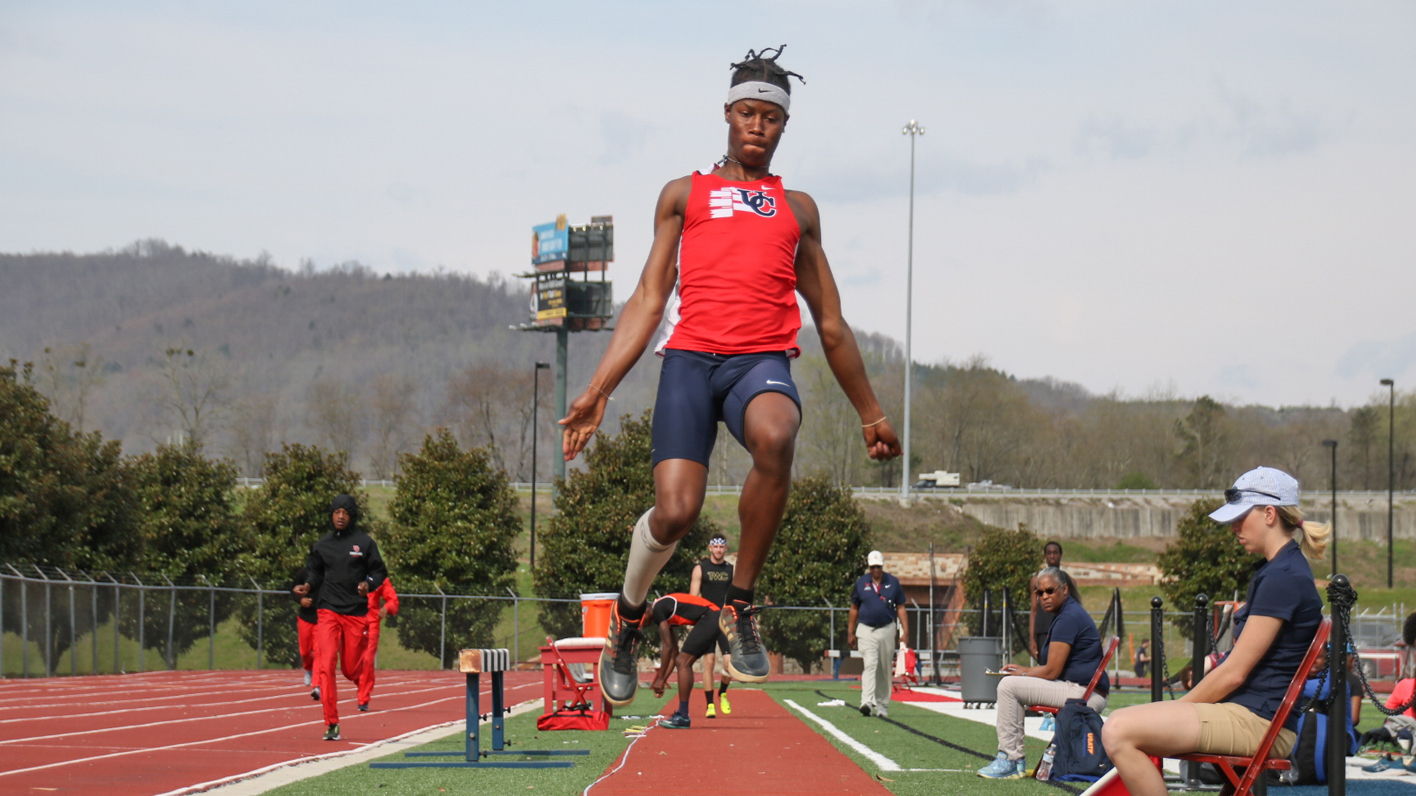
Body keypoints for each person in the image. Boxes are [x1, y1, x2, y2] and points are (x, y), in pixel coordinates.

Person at [558, 45, 901, 707]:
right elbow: (648, 300)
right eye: (747, 112)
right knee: (677, 511)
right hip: (690, 360)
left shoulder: (797, 210)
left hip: (759, 362)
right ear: (726, 114)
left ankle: (739, 604)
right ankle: (628, 621)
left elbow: (830, 322)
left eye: (770, 118)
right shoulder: (684, 195)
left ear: (783, 127)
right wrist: (599, 390)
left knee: (777, 433)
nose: (757, 126)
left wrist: (870, 410)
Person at [1101, 467, 1330, 796]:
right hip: (1255, 714)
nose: (1234, 526)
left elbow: (1235, 673)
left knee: (1118, 730)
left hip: (1258, 721)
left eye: (1240, 516)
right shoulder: (1280, 569)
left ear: (1269, 514)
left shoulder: (1282, 576)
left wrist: (1180, 707)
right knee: (1125, 723)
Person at [978, 567, 1108, 779]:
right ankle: (1013, 759)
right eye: (1039, 593)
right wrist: (1024, 671)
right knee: (1012, 683)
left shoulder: (1068, 617)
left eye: (1050, 590)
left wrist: (1021, 675)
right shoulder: (1068, 613)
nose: (1044, 596)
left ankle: (1010, 759)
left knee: (1008, 686)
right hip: (1083, 689)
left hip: (1083, 693)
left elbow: (1051, 671)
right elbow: (1052, 670)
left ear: (1064, 589)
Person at [293, 494, 388, 741]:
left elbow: (378, 571)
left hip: (355, 613)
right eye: (336, 512)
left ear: (352, 515)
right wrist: (306, 585)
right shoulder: (321, 545)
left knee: (348, 667)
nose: (341, 516)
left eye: (345, 512)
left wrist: (368, 584)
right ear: (331, 514)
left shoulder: (364, 543)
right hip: (327, 611)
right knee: (324, 666)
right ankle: (332, 722)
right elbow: (314, 573)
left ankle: (361, 681)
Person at [647, 593, 726, 730]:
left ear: (646, 610)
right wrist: (663, 680)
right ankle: (682, 714)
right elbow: (673, 653)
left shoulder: (658, 609)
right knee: (682, 661)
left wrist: (660, 678)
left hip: (711, 616)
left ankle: (683, 716)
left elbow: (667, 646)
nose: (641, 624)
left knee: (683, 662)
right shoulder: (665, 611)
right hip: (713, 616)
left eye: (639, 619)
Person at [848, 550, 908, 719]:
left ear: (882, 566)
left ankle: (882, 705)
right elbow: (854, 609)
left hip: (887, 629)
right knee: (870, 664)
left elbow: (901, 608)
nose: (876, 570)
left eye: (878, 567)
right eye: (873, 567)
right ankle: (866, 702)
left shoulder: (893, 582)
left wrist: (905, 631)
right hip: (866, 629)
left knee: (883, 667)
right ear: (869, 567)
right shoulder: (861, 583)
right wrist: (850, 632)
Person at [689, 535, 734, 718]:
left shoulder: (732, 570)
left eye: (721, 547)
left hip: (725, 621)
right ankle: (709, 705)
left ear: (725, 549)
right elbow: (693, 598)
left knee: (729, 663)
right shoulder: (700, 569)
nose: (718, 550)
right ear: (710, 548)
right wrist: (694, 619)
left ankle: (722, 691)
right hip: (707, 620)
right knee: (708, 663)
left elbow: (737, 595)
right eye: (715, 547)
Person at [356, 575, 399, 712]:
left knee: (368, 660)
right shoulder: (351, 571)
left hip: (371, 620)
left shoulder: (379, 578)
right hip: (352, 619)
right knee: (351, 661)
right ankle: (361, 683)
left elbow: (392, 599)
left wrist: (386, 608)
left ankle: (363, 698)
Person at [1029, 541, 1064, 659]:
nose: (1052, 556)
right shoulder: (1036, 580)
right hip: (1043, 629)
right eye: (1049, 553)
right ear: (1045, 556)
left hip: (1061, 629)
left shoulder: (1067, 581)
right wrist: (1032, 639)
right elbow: (1034, 610)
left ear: (1060, 555)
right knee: (1044, 665)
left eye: (1055, 553)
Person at [291, 566, 321, 699]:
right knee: (305, 651)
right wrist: (300, 600)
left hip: (323, 619)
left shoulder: (331, 572)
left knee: (319, 652)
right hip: (305, 618)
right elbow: (292, 590)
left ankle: (317, 686)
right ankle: (308, 668)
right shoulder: (304, 572)